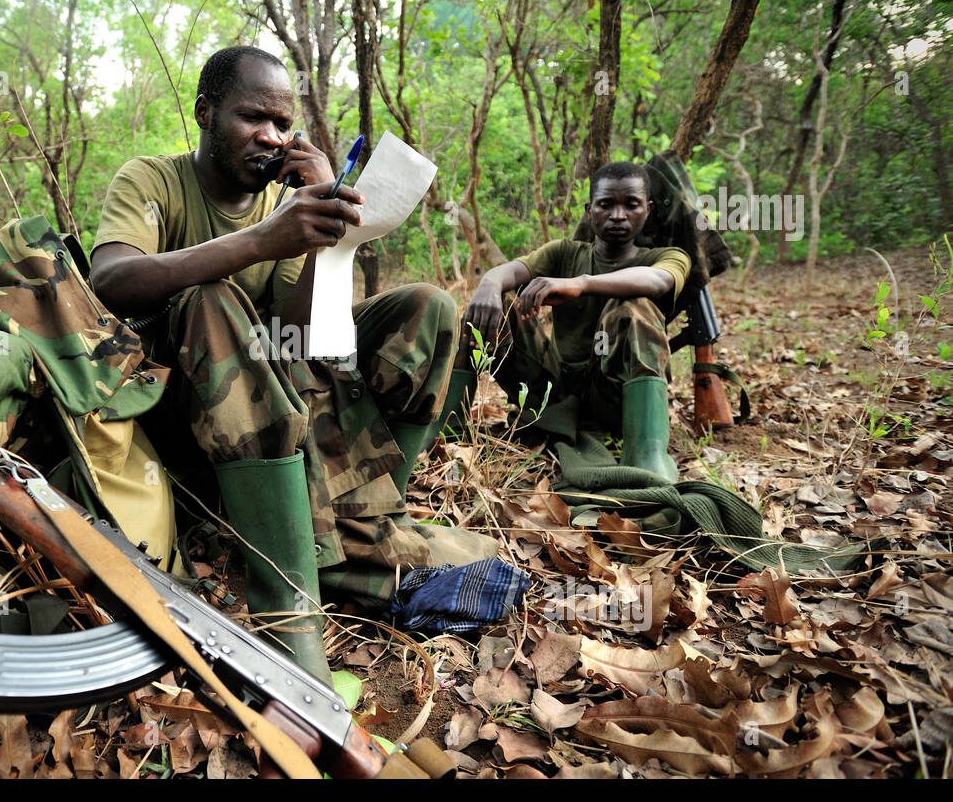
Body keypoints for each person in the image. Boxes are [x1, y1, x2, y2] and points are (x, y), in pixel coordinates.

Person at [89, 46, 474, 680]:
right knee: (210, 299)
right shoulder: (151, 180)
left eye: (283, 124)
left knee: (427, 306)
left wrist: (325, 223)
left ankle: (378, 517)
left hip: (265, 398)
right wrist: (262, 240)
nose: (271, 136)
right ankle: (287, 610)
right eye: (252, 118)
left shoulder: (286, 209)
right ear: (205, 113)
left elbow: (295, 337)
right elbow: (114, 280)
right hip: (168, 412)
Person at [460, 161, 691, 481]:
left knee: (635, 306)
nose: (618, 215)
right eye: (606, 204)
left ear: (648, 210)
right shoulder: (564, 253)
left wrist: (580, 284)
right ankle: (447, 428)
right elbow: (510, 271)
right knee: (492, 303)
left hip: (615, 399)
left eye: (631, 205)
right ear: (590, 209)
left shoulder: (666, 257)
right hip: (553, 392)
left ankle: (647, 454)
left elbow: (658, 282)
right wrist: (488, 285)